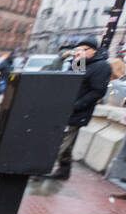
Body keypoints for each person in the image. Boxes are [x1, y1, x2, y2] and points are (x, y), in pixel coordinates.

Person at [47, 36, 112, 181]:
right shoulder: (81, 63)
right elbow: (72, 82)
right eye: (77, 49)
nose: (79, 52)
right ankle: (63, 171)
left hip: (78, 111)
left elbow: (98, 91)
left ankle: (44, 168)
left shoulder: (102, 66)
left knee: (62, 142)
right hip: (66, 109)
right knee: (66, 142)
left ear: (94, 51)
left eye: (84, 49)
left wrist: (75, 106)